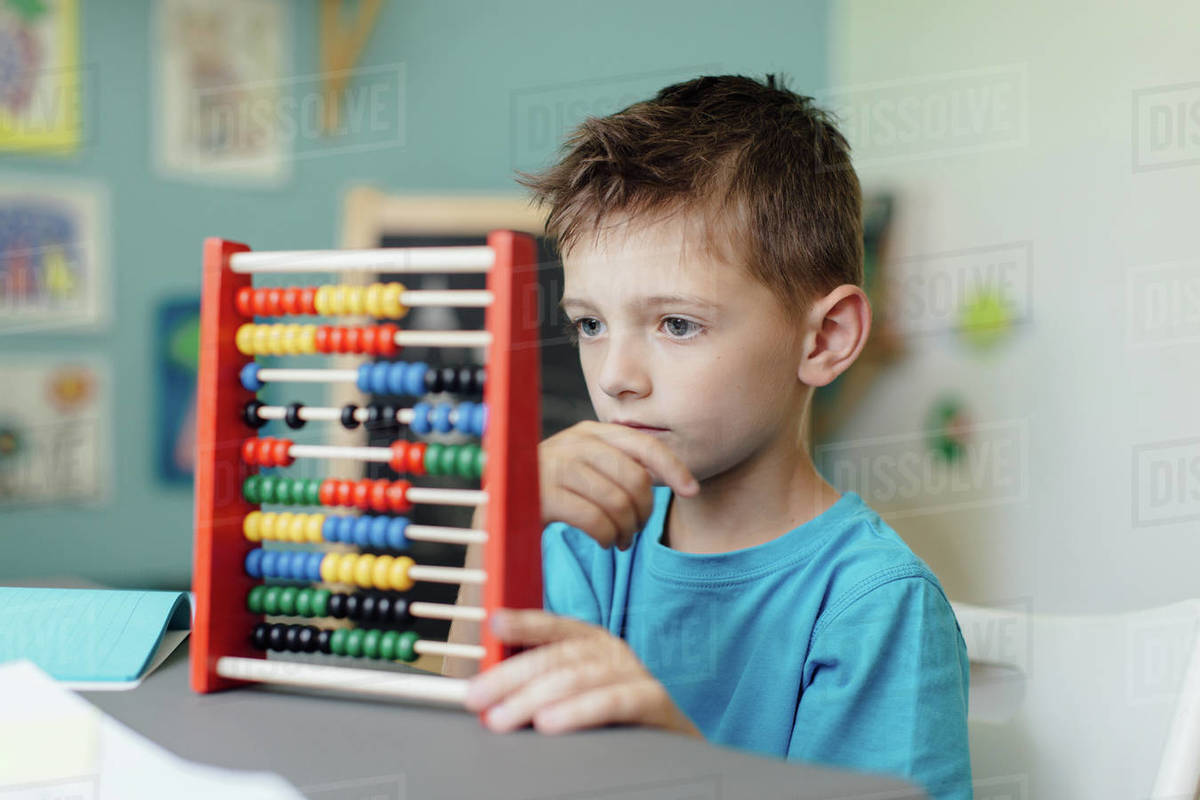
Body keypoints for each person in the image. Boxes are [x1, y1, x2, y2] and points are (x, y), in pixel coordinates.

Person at [446, 73, 972, 800]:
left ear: (824, 338)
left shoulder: (875, 605)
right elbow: (460, 758)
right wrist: (496, 516)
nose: (618, 376)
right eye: (591, 324)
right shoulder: (579, 541)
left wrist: (682, 768)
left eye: (677, 324)